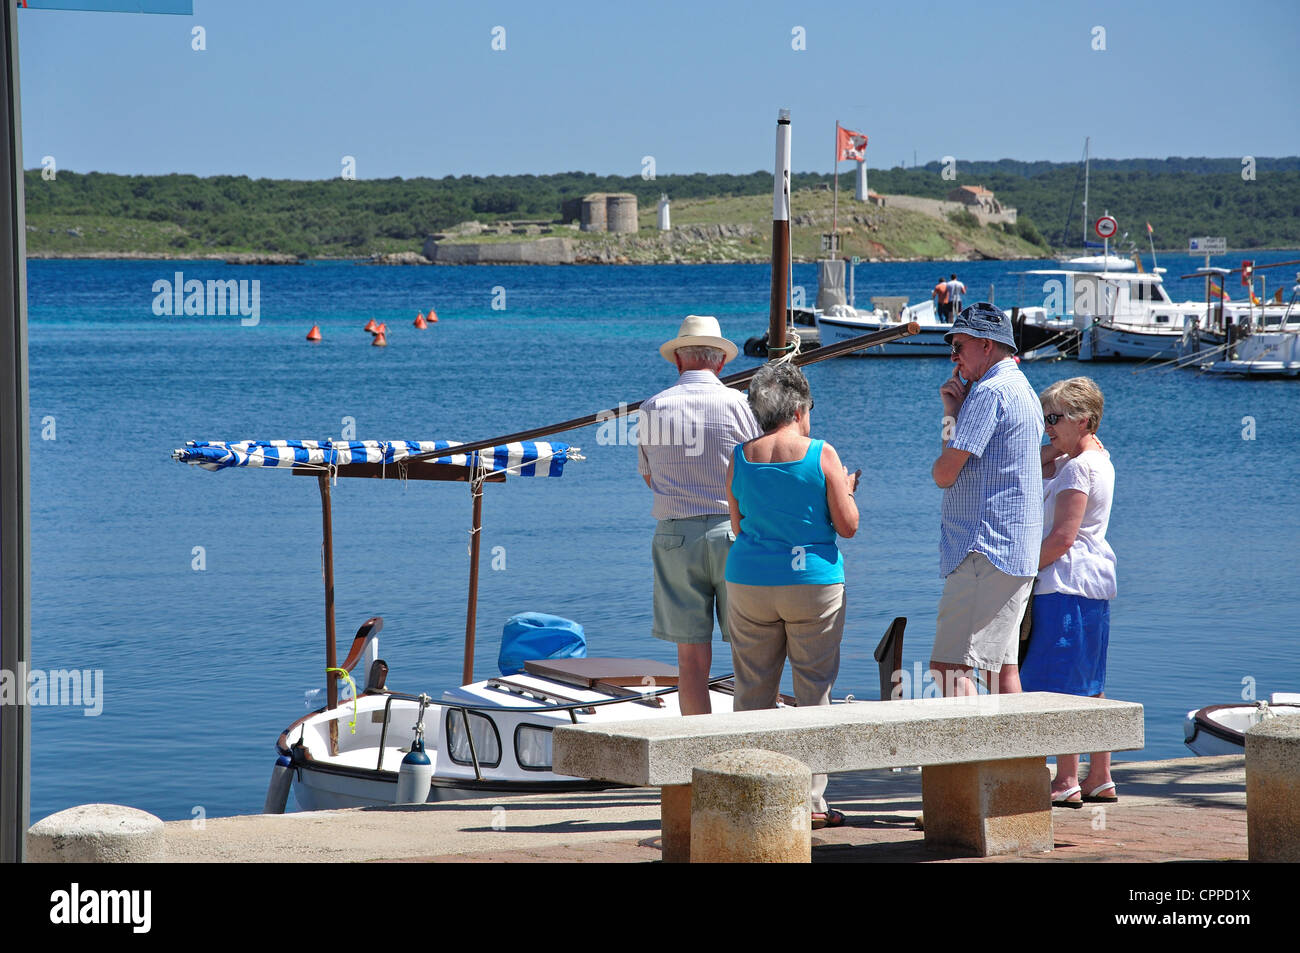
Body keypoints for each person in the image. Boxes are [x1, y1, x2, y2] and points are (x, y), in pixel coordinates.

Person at [724, 362, 859, 828]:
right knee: (813, 691)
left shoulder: (740, 456)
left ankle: (752, 794)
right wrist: (848, 491)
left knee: (752, 689)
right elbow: (848, 525)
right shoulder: (822, 454)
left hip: (749, 580)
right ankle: (810, 803)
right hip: (812, 586)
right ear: (800, 408)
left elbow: (740, 525)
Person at [639, 314, 762, 715]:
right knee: (750, 653)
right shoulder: (740, 404)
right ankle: (751, 748)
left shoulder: (652, 408)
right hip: (734, 532)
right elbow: (758, 469)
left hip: (676, 537)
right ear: (720, 362)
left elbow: (648, 477)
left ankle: (697, 751)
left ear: (678, 360)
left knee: (690, 660)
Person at [930, 303, 1043, 697]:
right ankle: (1021, 758)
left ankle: (966, 759)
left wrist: (951, 415)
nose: (954, 356)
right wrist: (954, 411)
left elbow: (945, 474)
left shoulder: (990, 393)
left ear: (985, 344)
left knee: (949, 668)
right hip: (1012, 550)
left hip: (984, 548)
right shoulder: (1022, 389)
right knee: (1001, 668)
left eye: (959, 345)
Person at [1020, 377, 1118, 808]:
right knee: (1089, 682)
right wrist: (1057, 445)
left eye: (1055, 418)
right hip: (1094, 584)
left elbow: (1062, 537)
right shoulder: (1096, 458)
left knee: (1056, 686)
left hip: (1065, 582)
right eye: (1045, 419)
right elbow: (1034, 462)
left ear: (1083, 419)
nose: (1047, 427)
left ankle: (1065, 780)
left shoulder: (1078, 467)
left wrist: (1023, 573)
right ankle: (1099, 776)